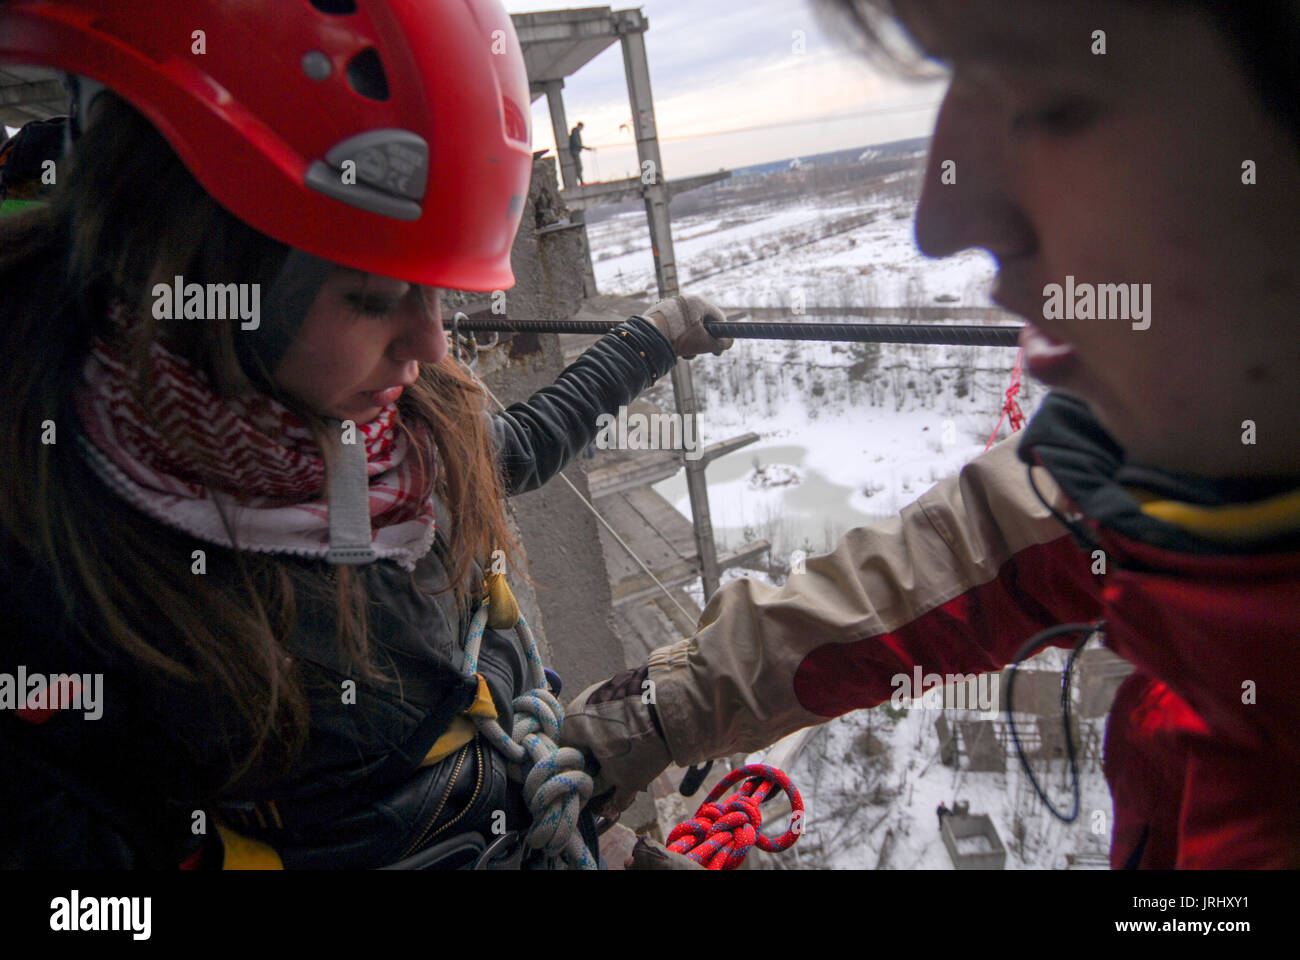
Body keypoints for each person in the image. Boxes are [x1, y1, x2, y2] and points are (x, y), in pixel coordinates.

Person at [563, 0, 1300, 869]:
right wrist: (673, 702)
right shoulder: (1177, 492)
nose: (941, 220)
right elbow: (976, 553)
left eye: (1053, 100)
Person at [0, 0, 731, 870]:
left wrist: (649, 340)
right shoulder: (54, 581)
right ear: (193, 265)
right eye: (374, 296)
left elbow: (519, 448)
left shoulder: (391, 428)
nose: (429, 349)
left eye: (439, 293)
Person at [569, 121, 595, 185]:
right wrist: (585, 148)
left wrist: (585, 148)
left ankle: (580, 181)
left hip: (575, 151)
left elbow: (578, 143)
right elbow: (577, 143)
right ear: (580, 126)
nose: (582, 129)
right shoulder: (575, 131)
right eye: (582, 128)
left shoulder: (575, 131)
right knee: (579, 167)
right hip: (574, 151)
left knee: (578, 167)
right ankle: (581, 181)